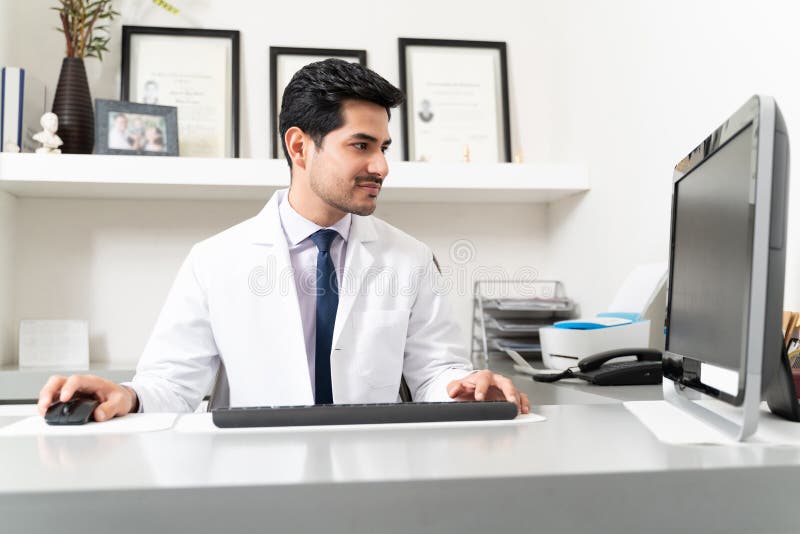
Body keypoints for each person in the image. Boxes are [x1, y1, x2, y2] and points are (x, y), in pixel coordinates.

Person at [38, 59, 530, 421]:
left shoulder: (410, 258)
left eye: (382, 148)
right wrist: (128, 396)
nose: (381, 166)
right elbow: (171, 383)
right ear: (300, 146)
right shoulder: (215, 260)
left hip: (374, 475)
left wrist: (463, 388)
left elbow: (433, 373)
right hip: (255, 478)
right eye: (361, 145)